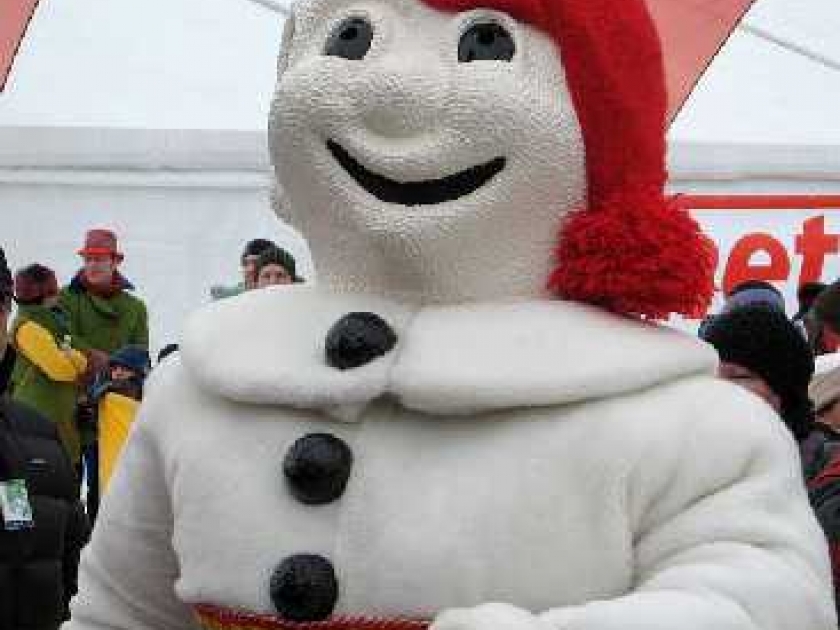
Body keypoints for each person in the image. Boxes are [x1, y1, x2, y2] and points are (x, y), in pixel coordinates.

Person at [65, 0, 835, 629]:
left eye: (486, 43)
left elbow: (763, 603)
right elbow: (117, 613)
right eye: (352, 36)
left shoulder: (689, 427)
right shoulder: (200, 391)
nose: (391, 87)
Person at [0, 252, 89, 630]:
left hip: (43, 431)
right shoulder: (32, 327)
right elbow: (62, 365)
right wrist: (75, 359)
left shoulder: (31, 441)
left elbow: (77, 575)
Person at [59, 229, 148, 521]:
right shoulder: (66, 300)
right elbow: (62, 340)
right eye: (89, 259)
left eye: (100, 259)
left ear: (114, 262)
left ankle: (101, 550)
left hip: (111, 413)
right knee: (65, 489)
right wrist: (98, 360)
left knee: (107, 489)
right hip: (70, 407)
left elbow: (140, 357)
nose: (93, 265)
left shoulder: (134, 308)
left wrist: (119, 376)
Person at [8, 265, 89, 468]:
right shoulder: (28, 328)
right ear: (40, 294)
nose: (58, 295)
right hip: (37, 420)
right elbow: (60, 368)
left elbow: (76, 358)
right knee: (43, 477)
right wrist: (76, 359)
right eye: (53, 290)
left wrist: (74, 357)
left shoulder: (51, 323)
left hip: (57, 418)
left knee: (66, 473)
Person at [89, 346, 149, 494]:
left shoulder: (145, 397)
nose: (118, 373)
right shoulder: (107, 396)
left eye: (126, 369)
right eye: (115, 368)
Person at [210, 238, 278, 299]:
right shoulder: (238, 293)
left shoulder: (281, 292)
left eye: (256, 263)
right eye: (246, 263)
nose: (250, 269)